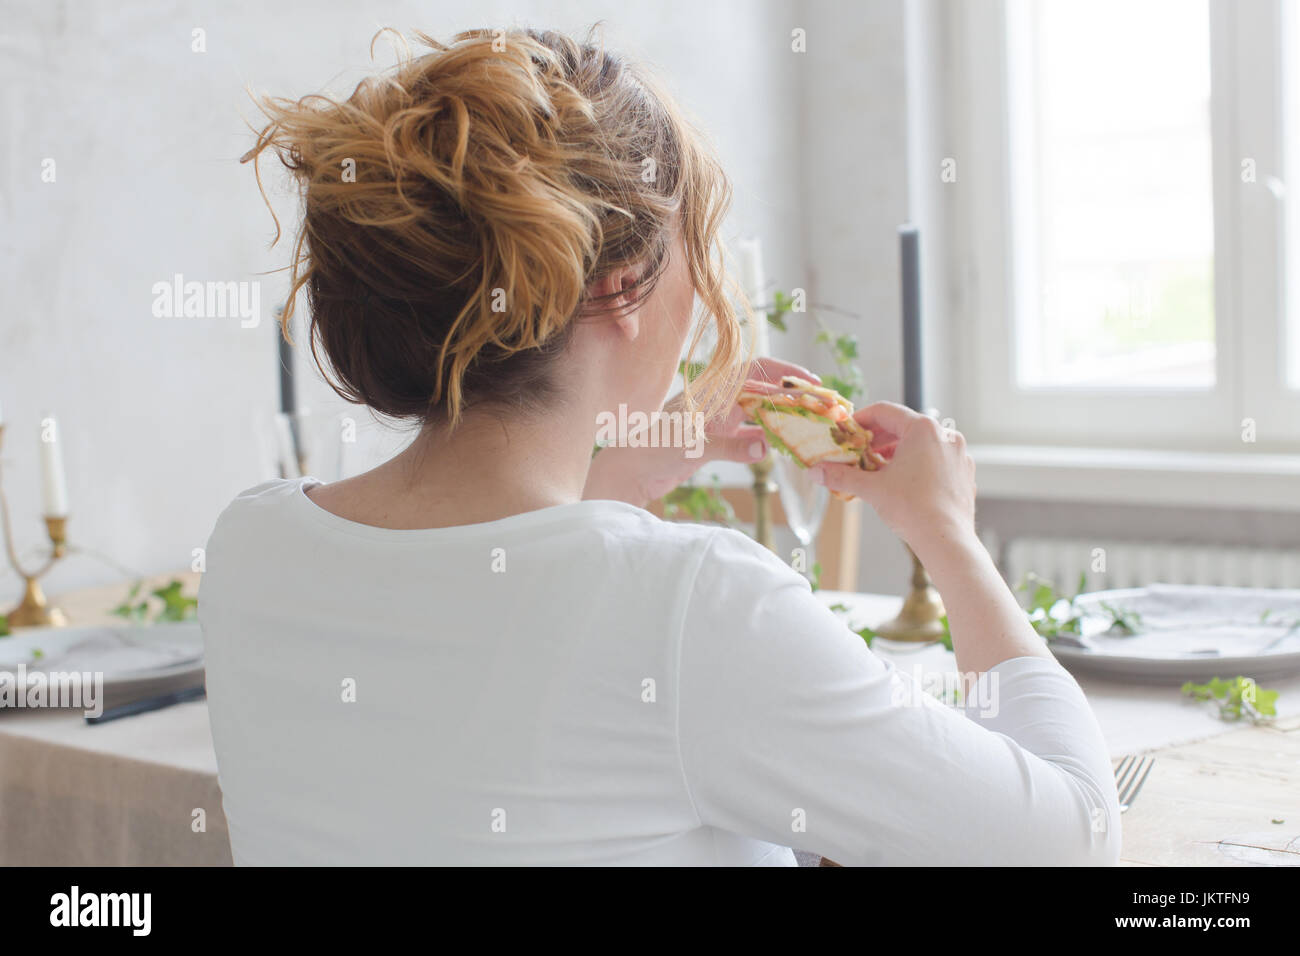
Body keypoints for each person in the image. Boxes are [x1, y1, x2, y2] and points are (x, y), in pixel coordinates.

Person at [199, 26, 1121, 865]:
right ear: (624, 286)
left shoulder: (250, 548)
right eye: (696, 248)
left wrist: (637, 456)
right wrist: (945, 531)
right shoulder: (694, 603)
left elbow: (506, 603)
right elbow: (1067, 841)